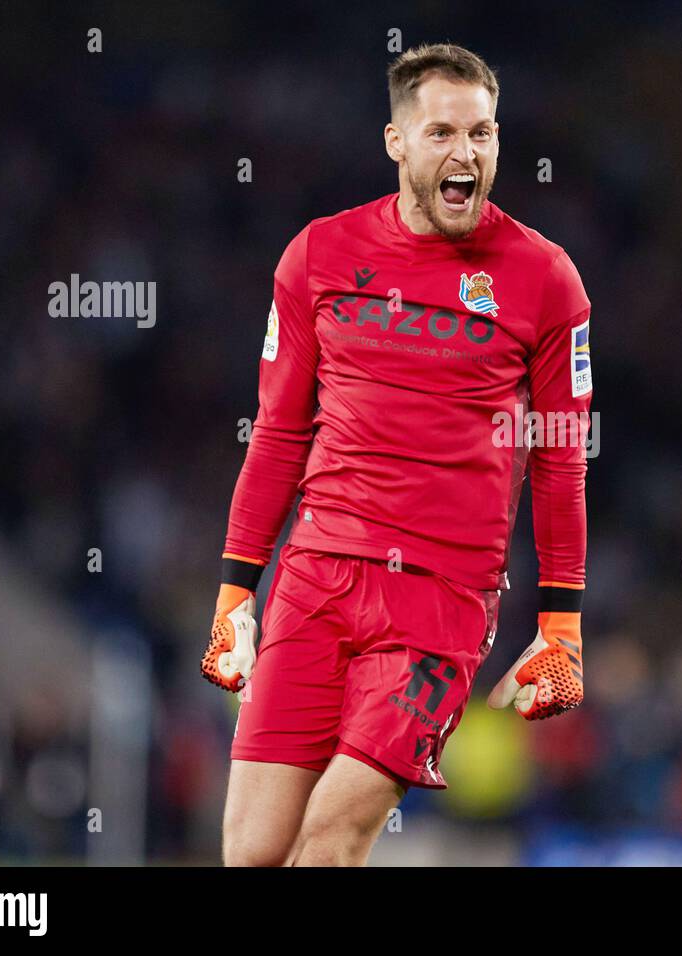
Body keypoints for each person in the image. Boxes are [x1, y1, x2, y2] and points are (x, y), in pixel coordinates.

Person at [199, 43, 593, 866]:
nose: (466, 154)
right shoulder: (319, 255)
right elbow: (276, 432)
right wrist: (237, 591)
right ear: (397, 143)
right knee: (253, 855)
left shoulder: (545, 278)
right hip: (314, 577)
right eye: (443, 132)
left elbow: (560, 457)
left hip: (440, 604)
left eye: (482, 134)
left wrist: (562, 623)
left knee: (333, 836)